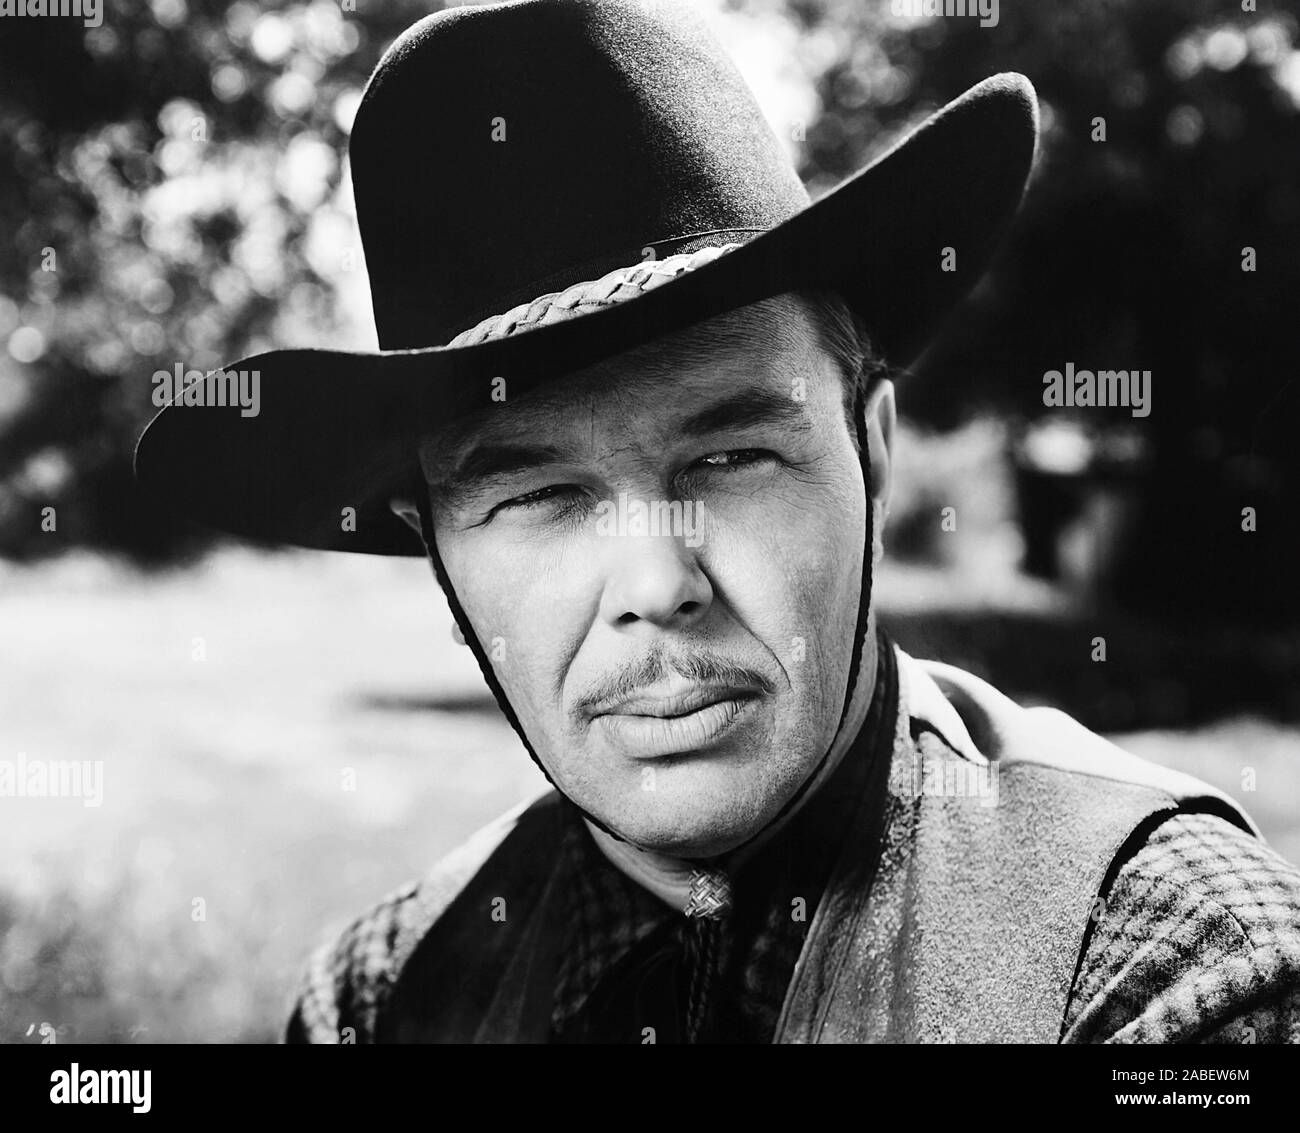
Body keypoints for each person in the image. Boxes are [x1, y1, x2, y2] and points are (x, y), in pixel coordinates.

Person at [135, 0, 1300, 1043]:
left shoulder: (1168, 958)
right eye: (539, 494)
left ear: (873, 449)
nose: (657, 578)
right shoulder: (381, 997)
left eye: (733, 453)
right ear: (435, 544)